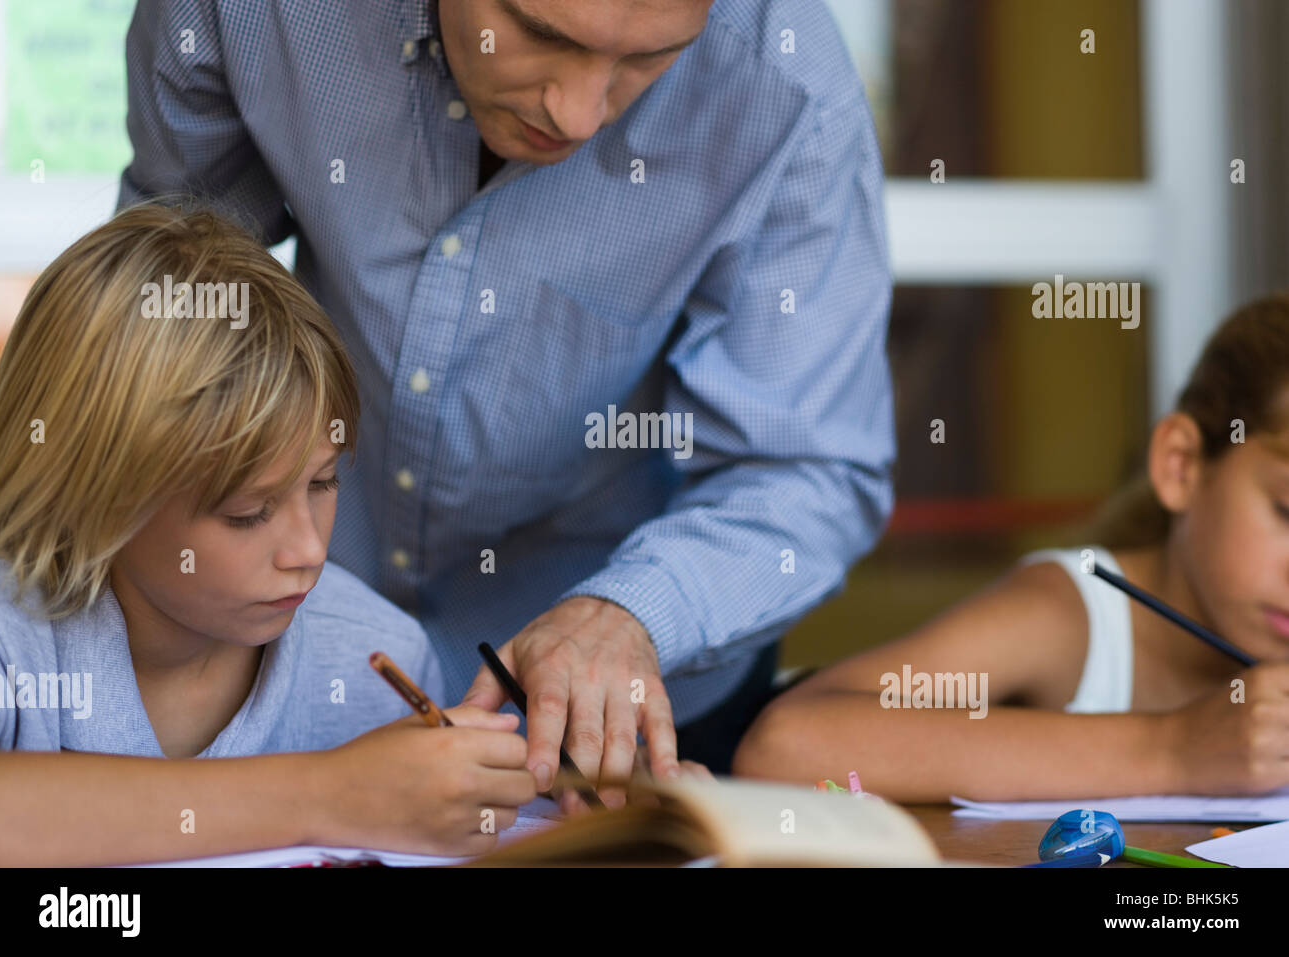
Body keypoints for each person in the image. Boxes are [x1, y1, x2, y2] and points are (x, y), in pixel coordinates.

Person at [119, 0, 895, 801]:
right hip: (288, 673)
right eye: (545, 35)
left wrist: (630, 613)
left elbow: (808, 470)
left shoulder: (788, 85)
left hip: (622, 716)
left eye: (651, 59)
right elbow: (173, 312)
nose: (581, 114)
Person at [0, 203, 538, 865]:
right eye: (248, 512)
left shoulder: (375, 655)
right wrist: (331, 792)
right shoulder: (7, 634)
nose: (309, 551)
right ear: (96, 496)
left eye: (325, 481)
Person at [735, 295, 1289, 803]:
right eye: (1285, 513)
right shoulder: (1072, 614)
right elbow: (789, 742)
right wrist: (1175, 749)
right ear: (1182, 465)